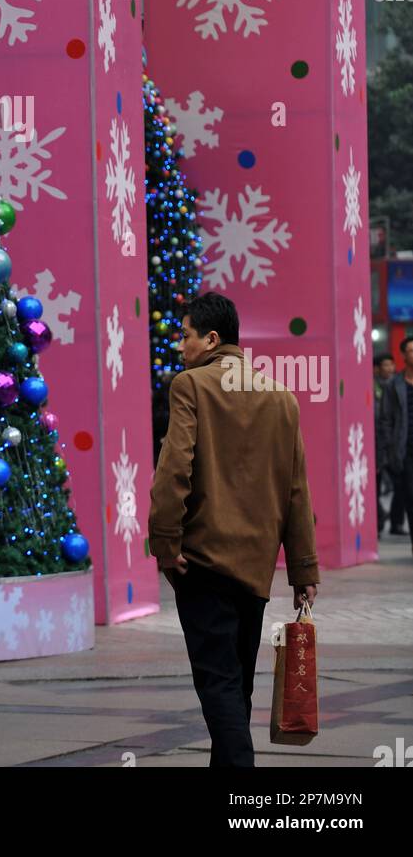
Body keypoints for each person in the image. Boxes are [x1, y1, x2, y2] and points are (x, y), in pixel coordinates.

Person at [148, 293, 320, 768]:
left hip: (201, 561)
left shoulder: (191, 386)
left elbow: (173, 470)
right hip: (255, 569)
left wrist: (165, 543)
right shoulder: (282, 397)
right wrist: (303, 568)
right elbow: (296, 491)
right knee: (236, 682)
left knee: (218, 683)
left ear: (211, 339)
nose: (180, 347)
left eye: (185, 335)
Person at [381, 335, 413, 554]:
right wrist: (391, 449)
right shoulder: (394, 385)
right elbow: (386, 420)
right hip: (406, 451)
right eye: (410, 350)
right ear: (403, 355)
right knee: (410, 497)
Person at [373, 352, 396, 535]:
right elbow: (380, 420)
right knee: (376, 485)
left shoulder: (397, 385)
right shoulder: (372, 386)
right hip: (379, 444)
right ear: (377, 368)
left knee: (400, 486)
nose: (389, 368)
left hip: (394, 444)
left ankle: (388, 520)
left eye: (391, 364)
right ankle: (379, 520)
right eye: (385, 365)